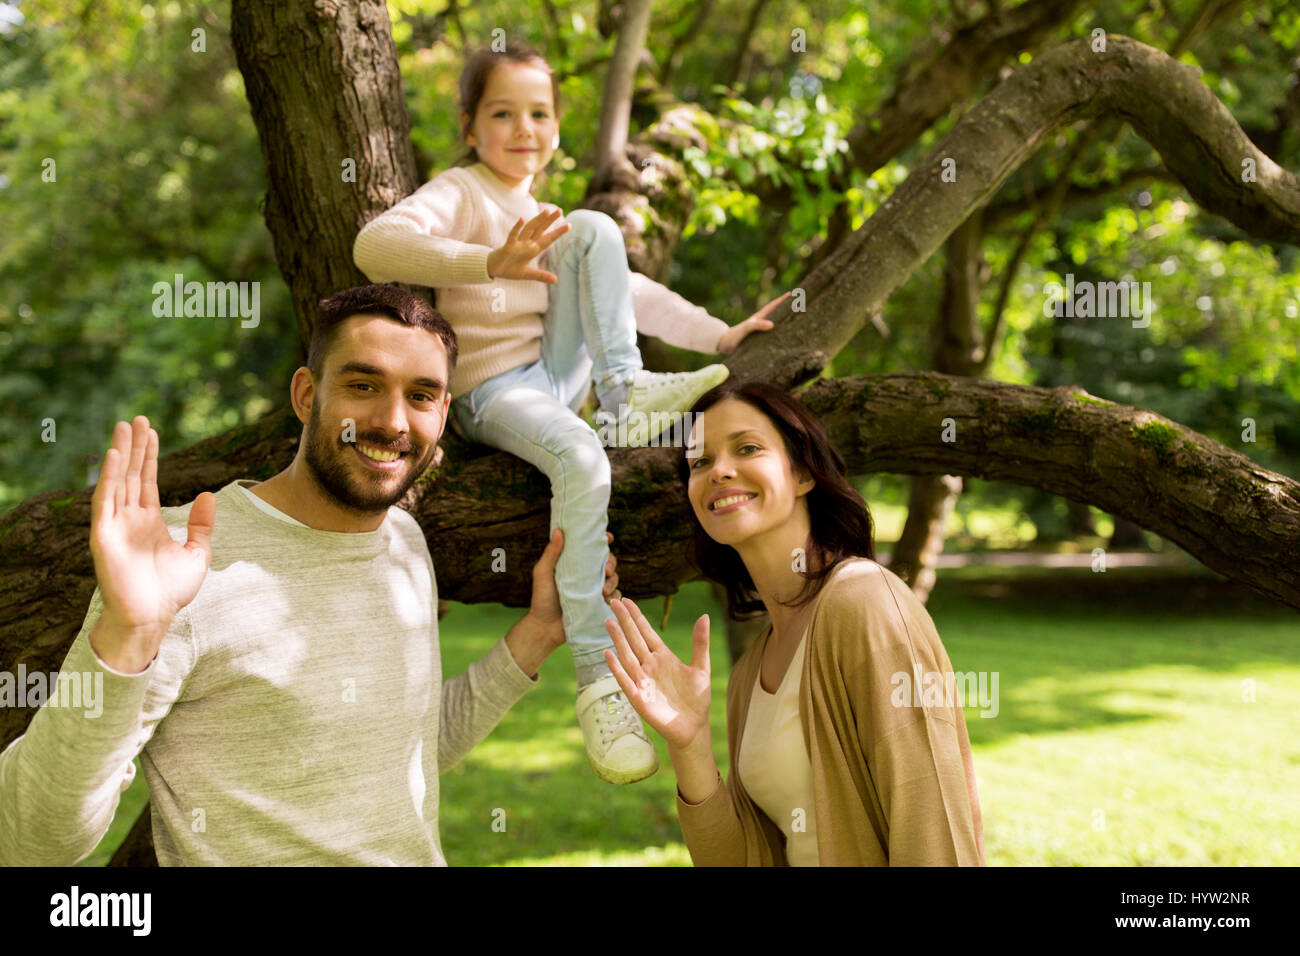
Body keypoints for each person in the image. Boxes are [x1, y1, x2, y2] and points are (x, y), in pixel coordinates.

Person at [0, 284, 615, 866]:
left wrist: (537, 634)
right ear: (304, 395)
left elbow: (402, 750)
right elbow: (32, 844)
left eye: (421, 395)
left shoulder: (404, 542)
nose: (394, 421)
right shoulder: (179, 566)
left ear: (443, 411)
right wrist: (126, 634)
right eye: (364, 384)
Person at [352, 38, 782, 785]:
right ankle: (597, 682)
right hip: (493, 390)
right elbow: (374, 244)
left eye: (539, 113)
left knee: (596, 231)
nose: (524, 129)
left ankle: (625, 390)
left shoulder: (548, 212)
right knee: (582, 458)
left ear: (556, 127)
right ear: (469, 125)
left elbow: (628, 296)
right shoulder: (463, 193)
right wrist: (489, 261)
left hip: (558, 377)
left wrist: (719, 333)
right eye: (503, 113)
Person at [603, 380, 986, 865]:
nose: (719, 470)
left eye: (746, 448)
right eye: (699, 462)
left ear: (804, 472)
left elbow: (932, 821)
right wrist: (691, 742)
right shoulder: (749, 674)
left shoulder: (865, 602)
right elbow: (747, 860)